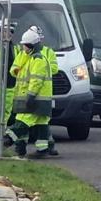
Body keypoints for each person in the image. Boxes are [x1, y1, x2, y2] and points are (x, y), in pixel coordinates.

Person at [5, 27, 53, 158]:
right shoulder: (32, 58)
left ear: (31, 46)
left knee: (23, 121)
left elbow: (36, 81)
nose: (23, 47)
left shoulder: (38, 60)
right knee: (41, 123)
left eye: (25, 45)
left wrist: (30, 95)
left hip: (36, 98)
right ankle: (42, 150)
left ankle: (6, 140)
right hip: (40, 99)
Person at [31, 26, 60, 156]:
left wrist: (41, 66)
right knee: (35, 120)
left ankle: (48, 145)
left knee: (42, 120)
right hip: (30, 89)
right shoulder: (26, 51)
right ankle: (46, 145)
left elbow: (54, 69)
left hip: (43, 91)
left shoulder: (48, 52)